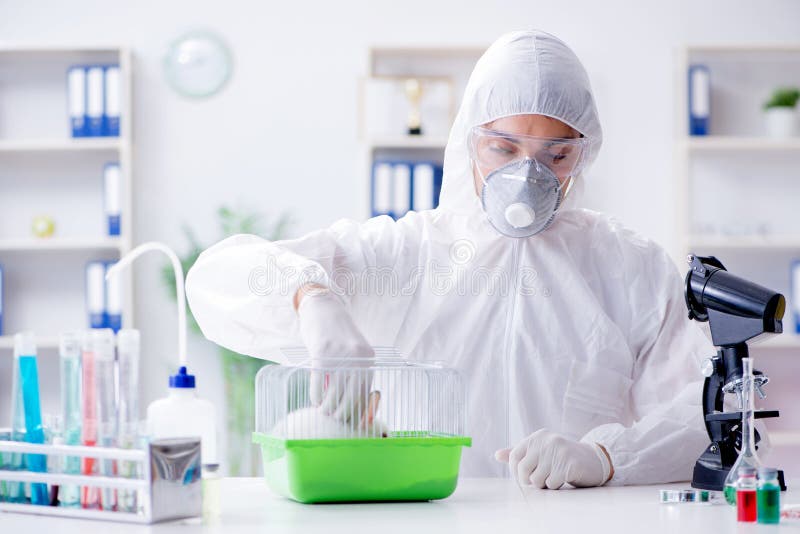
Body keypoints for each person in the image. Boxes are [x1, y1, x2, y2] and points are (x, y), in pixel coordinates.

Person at [185, 29, 714, 489]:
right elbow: (216, 279)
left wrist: (607, 458)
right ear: (469, 143)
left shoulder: (629, 267)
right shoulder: (403, 253)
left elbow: (713, 411)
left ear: (584, 153)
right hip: (419, 515)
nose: (528, 177)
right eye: (503, 149)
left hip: (570, 520)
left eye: (555, 154)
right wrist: (311, 296)